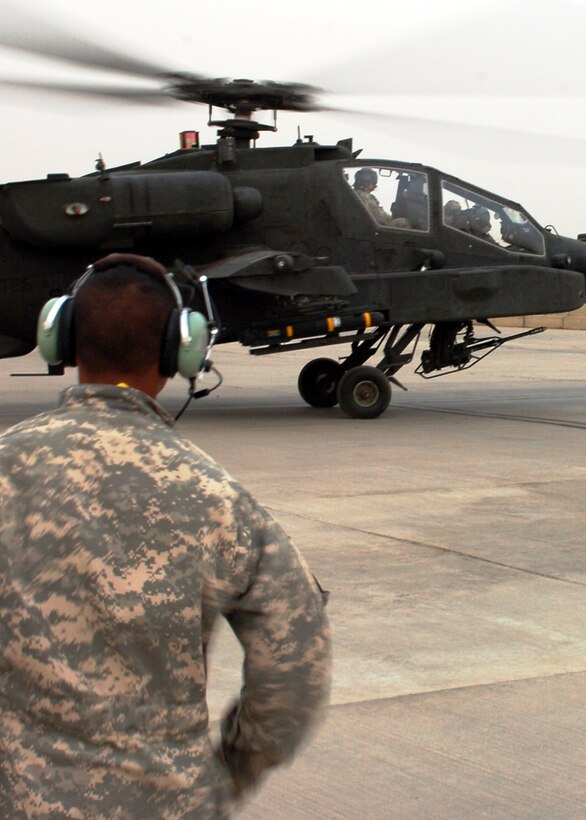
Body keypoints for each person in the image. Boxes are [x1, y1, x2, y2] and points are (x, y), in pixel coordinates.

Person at [0, 253, 331, 818]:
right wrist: (224, 777)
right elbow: (295, 666)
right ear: (182, 351)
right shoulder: (219, 499)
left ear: (63, 339)